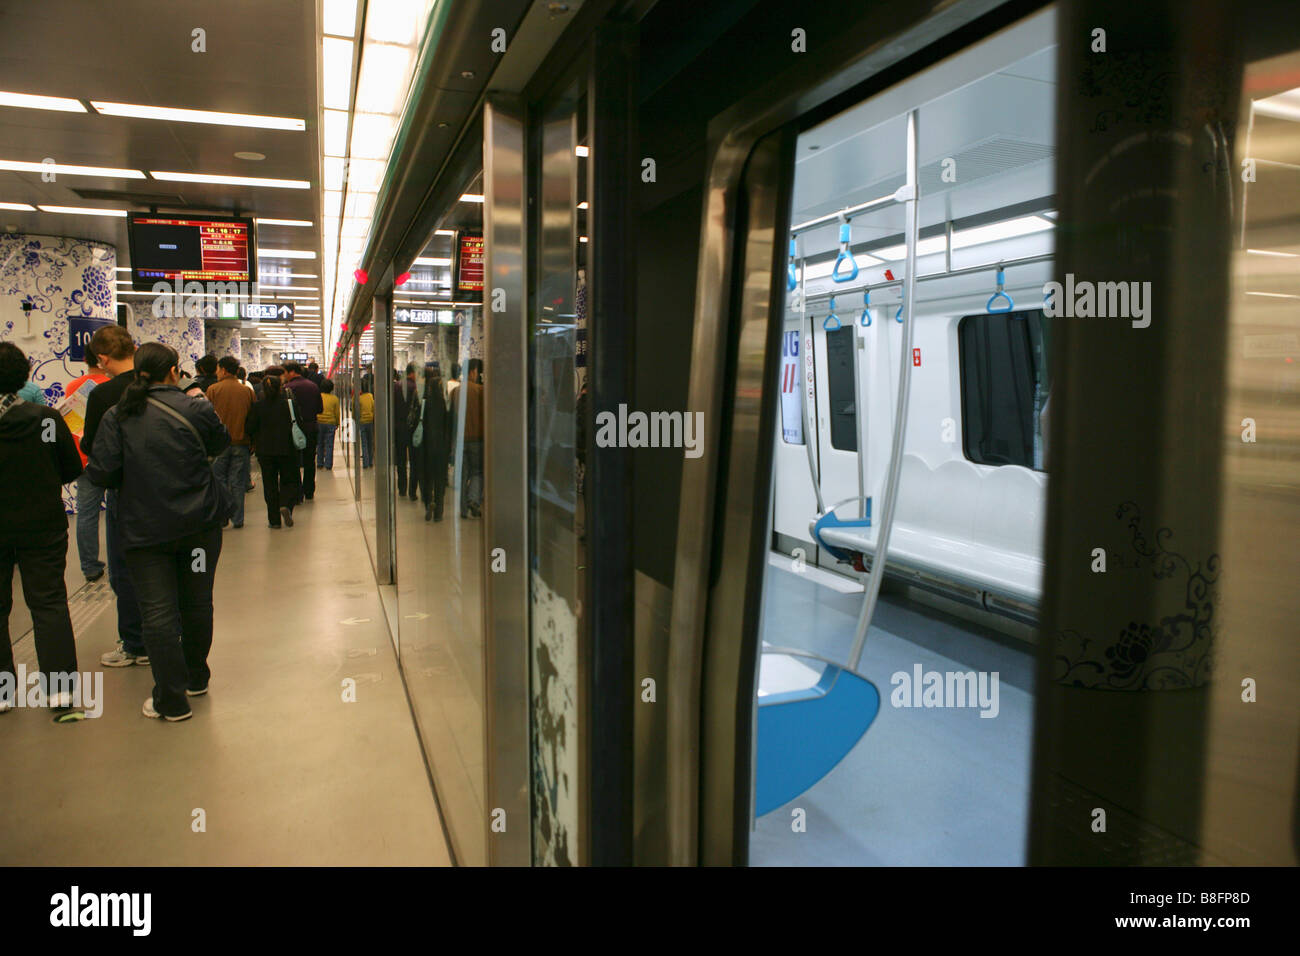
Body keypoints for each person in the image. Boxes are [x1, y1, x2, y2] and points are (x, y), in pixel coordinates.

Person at [85, 342, 231, 721]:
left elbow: (101, 472)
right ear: (173, 371)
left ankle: (171, 699)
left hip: (145, 533)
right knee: (197, 603)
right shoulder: (196, 407)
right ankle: (196, 678)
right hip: (199, 529)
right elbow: (221, 443)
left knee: (158, 612)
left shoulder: (118, 415)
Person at [0, 342, 83, 713]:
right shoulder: (46, 420)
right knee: (49, 603)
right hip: (43, 526)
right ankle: (60, 691)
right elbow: (70, 469)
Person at [81, 325, 148, 669]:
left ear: (103, 359)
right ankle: (164, 635)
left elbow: (93, 446)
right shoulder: (159, 385)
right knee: (162, 565)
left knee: (124, 569)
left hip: (125, 491)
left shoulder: (103, 395)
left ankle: (135, 642)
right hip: (165, 490)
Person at [64, 350, 111, 581]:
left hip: (85, 458)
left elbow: (71, 423)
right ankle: (119, 557)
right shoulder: (114, 385)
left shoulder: (73, 386)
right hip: (113, 458)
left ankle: (90, 566)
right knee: (117, 510)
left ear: (85, 360)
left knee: (87, 513)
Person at [246, 367, 303, 528]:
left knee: (269, 484)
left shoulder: (257, 406)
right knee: (288, 480)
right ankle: (286, 505)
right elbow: (299, 424)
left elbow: (250, 428)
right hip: (287, 449)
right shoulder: (289, 405)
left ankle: (274, 520)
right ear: (281, 387)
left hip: (265, 451)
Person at [208, 356, 255, 529]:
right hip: (241, 442)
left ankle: (222, 517)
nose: (217, 373)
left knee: (219, 481)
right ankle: (238, 519)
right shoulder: (247, 391)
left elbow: (207, 417)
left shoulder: (213, 390)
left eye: (218, 369)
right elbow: (252, 418)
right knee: (238, 482)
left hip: (219, 444)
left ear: (224, 370)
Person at [415, 364, 452, 521]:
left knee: (427, 477)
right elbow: (449, 427)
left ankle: (428, 502)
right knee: (439, 480)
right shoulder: (445, 405)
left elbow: (417, 423)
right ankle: (439, 511)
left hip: (426, 447)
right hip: (441, 447)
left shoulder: (423, 403)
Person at [282, 361, 322, 502]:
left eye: (285, 373)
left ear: (291, 372)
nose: (284, 376)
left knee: (294, 462)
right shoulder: (313, 387)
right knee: (310, 461)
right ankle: (309, 491)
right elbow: (319, 409)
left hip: (293, 430)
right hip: (311, 428)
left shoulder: (286, 388)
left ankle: (298, 493)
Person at [454, 357, 484, 518]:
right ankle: (473, 499)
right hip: (477, 439)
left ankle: (463, 510)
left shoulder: (455, 392)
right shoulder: (480, 390)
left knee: (463, 475)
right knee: (478, 472)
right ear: (473, 372)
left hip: (460, 440)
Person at [393, 364, 417, 499]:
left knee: (401, 459)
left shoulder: (396, 387)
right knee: (414, 460)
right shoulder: (416, 388)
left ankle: (402, 488)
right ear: (412, 373)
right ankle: (412, 492)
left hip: (399, 428)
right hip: (413, 429)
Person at [317, 379, 340, 470]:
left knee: (320, 443)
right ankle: (328, 464)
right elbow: (337, 412)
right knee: (329, 444)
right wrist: (337, 422)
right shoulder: (334, 399)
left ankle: (319, 463)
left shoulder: (318, 396)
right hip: (330, 423)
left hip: (319, 422)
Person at [356, 380, 375, 468]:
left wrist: (356, 419)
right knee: (370, 442)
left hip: (362, 421)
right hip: (370, 421)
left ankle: (365, 463)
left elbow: (355, 409)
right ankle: (371, 461)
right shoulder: (370, 396)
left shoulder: (358, 398)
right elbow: (373, 408)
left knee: (364, 443)